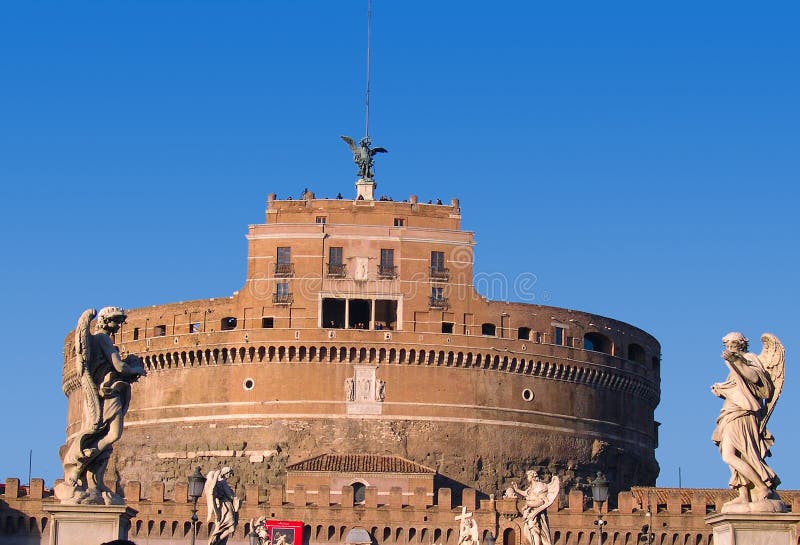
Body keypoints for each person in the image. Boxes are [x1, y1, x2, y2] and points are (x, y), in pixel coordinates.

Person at [60, 307, 145, 504]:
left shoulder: (98, 340)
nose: (118, 326)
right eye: (115, 321)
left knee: (107, 438)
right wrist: (136, 369)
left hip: (110, 393)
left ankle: (93, 481)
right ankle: (80, 461)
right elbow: (119, 366)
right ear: (105, 320)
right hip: (108, 394)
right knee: (111, 434)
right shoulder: (103, 339)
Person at [711, 332, 781, 507]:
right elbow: (737, 388)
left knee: (734, 454)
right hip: (730, 412)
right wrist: (721, 389)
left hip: (743, 414)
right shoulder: (734, 364)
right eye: (726, 344)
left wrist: (736, 361)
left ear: (741, 344)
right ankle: (744, 493)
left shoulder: (750, 358)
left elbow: (756, 379)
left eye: (732, 344)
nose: (729, 347)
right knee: (734, 455)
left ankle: (761, 486)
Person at [511, 470, 554, 545]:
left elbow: (542, 501)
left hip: (536, 513)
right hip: (529, 513)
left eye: (528, 476)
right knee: (529, 532)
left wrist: (529, 504)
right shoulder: (531, 487)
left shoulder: (540, 486)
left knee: (535, 531)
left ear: (532, 476)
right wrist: (517, 490)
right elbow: (526, 493)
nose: (527, 478)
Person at [205, 467, 240, 545]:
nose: (230, 476)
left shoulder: (221, 481)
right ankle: (215, 541)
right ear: (226, 473)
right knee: (231, 526)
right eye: (230, 474)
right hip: (225, 506)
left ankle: (217, 541)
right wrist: (236, 499)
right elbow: (229, 494)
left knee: (229, 527)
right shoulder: (222, 482)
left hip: (226, 505)